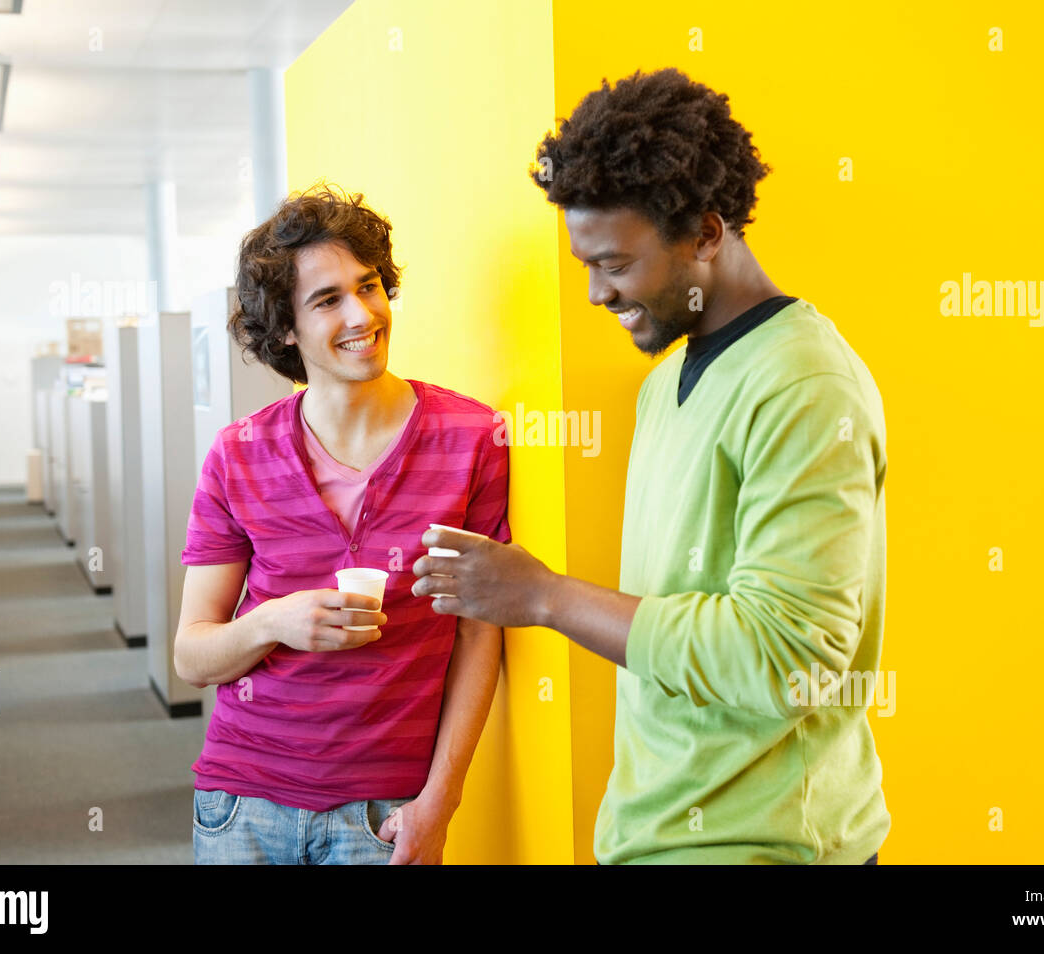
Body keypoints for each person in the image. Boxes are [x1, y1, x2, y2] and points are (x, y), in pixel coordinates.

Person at [413, 68, 890, 864]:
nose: (597, 293)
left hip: (764, 846)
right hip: (654, 834)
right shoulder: (666, 380)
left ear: (706, 234)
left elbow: (788, 661)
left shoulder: (805, 384)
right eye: (585, 264)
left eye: (617, 264)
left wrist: (543, 597)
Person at [174, 184, 510, 865]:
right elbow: (192, 656)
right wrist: (273, 621)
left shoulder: (473, 437)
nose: (363, 314)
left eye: (369, 286)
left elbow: (480, 635)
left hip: (383, 814)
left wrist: (439, 805)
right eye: (328, 301)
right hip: (243, 802)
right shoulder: (238, 454)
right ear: (287, 328)